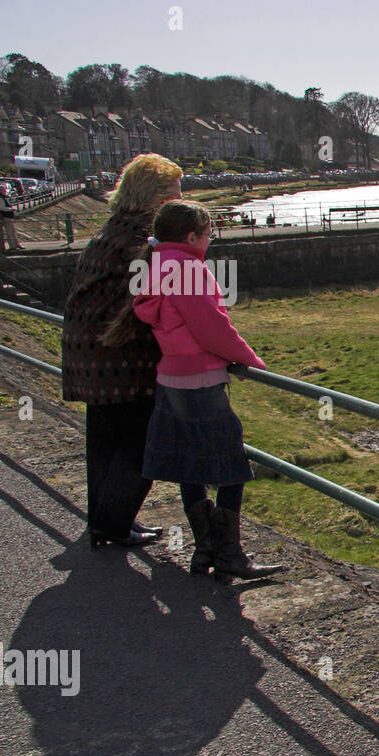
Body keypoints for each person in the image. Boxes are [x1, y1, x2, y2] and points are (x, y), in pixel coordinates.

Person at [124, 200, 285, 582]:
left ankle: (205, 550)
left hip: (170, 379)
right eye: (209, 232)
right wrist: (251, 362)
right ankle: (229, 553)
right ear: (192, 235)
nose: (211, 239)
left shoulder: (157, 264)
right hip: (201, 380)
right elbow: (211, 327)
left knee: (188, 466)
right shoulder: (188, 269)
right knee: (231, 465)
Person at [62, 153, 184, 548]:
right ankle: (114, 522)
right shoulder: (143, 239)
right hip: (120, 359)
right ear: (155, 196)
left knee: (104, 441)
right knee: (142, 442)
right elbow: (159, 299)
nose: (180, 199)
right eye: (174, 193)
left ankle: (103, 519)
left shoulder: (113, 229)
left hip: (88, 354)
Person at [0, 185, 22, 251]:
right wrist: (11, 209)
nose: (5, 191)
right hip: (6, 216)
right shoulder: (0, 198)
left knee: (13, 231)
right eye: (4, 190)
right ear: (0, 190)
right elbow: (2, 208)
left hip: (9, 216)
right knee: (9, 232)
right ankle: (12, 246)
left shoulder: (4, 197)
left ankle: (17, 244)